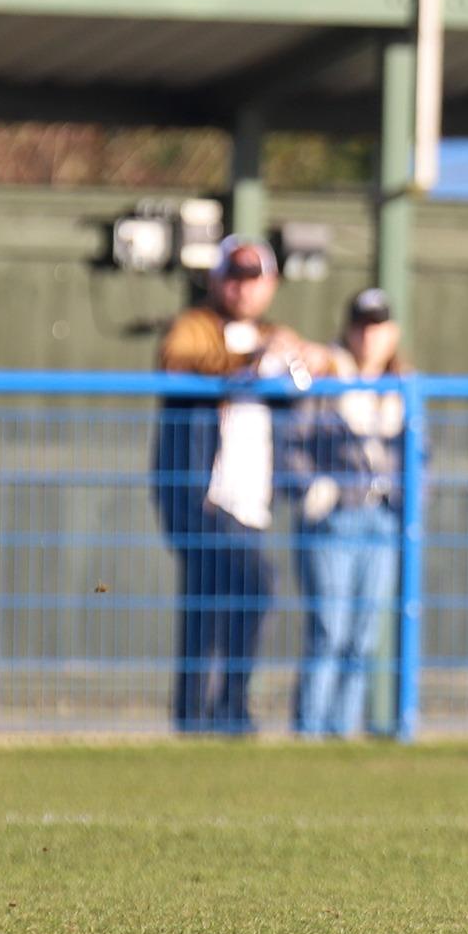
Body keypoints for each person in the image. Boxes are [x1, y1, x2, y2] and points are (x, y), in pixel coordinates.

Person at [151, 235, 321, 734]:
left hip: (250, 500)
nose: (243, 290)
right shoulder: (195, 325)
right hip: (201, 495)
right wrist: (249, 364)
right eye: (234, 277)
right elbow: (177, 363)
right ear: (216, 280)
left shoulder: (275, 333)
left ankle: (211, 712)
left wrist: (303, 356)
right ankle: (215, 709)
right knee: (252, 586)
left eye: (254, 279)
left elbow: (319, 367)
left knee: (223, 600)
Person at [283, 287, 408, 738]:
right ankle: (309, 730)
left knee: (362, 637)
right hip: (334, 518)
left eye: (377, 327)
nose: (369, 336)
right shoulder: (326, 377)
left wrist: (410, 499)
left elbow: (420, 455)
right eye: (362, 326)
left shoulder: (401, 386)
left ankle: (342, 731)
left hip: (383, 519)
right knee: (328, 630)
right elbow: (292, 443)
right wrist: (314, 488)